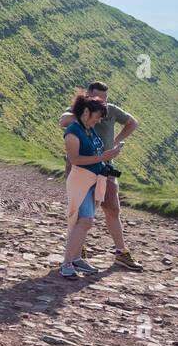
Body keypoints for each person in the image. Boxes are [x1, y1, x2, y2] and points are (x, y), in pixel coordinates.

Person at [58, 81, 142, 271]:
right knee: (81, 214)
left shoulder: (109, 109)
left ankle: (121, 252)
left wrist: (115, 141)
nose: (102, 103)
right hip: (82, 169)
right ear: (88, 97)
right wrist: (84, 118)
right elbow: (63, 120)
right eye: (98, 99)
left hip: (105, 168)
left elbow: (132, 122)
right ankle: (75, 255)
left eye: (105, 100)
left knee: (112, 209)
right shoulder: (82, 111)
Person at [60, 93, 123, 279]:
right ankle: (67, 263)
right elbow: (75, 159)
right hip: (80, 180)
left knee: (85, 221)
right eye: (96, 118)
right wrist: (103, 158)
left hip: (92, 180)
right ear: (86, 112)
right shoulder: (73, 132)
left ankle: (76, 258)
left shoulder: (87, 129)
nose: (97, 123)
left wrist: (106, 160)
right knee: (83, 221)